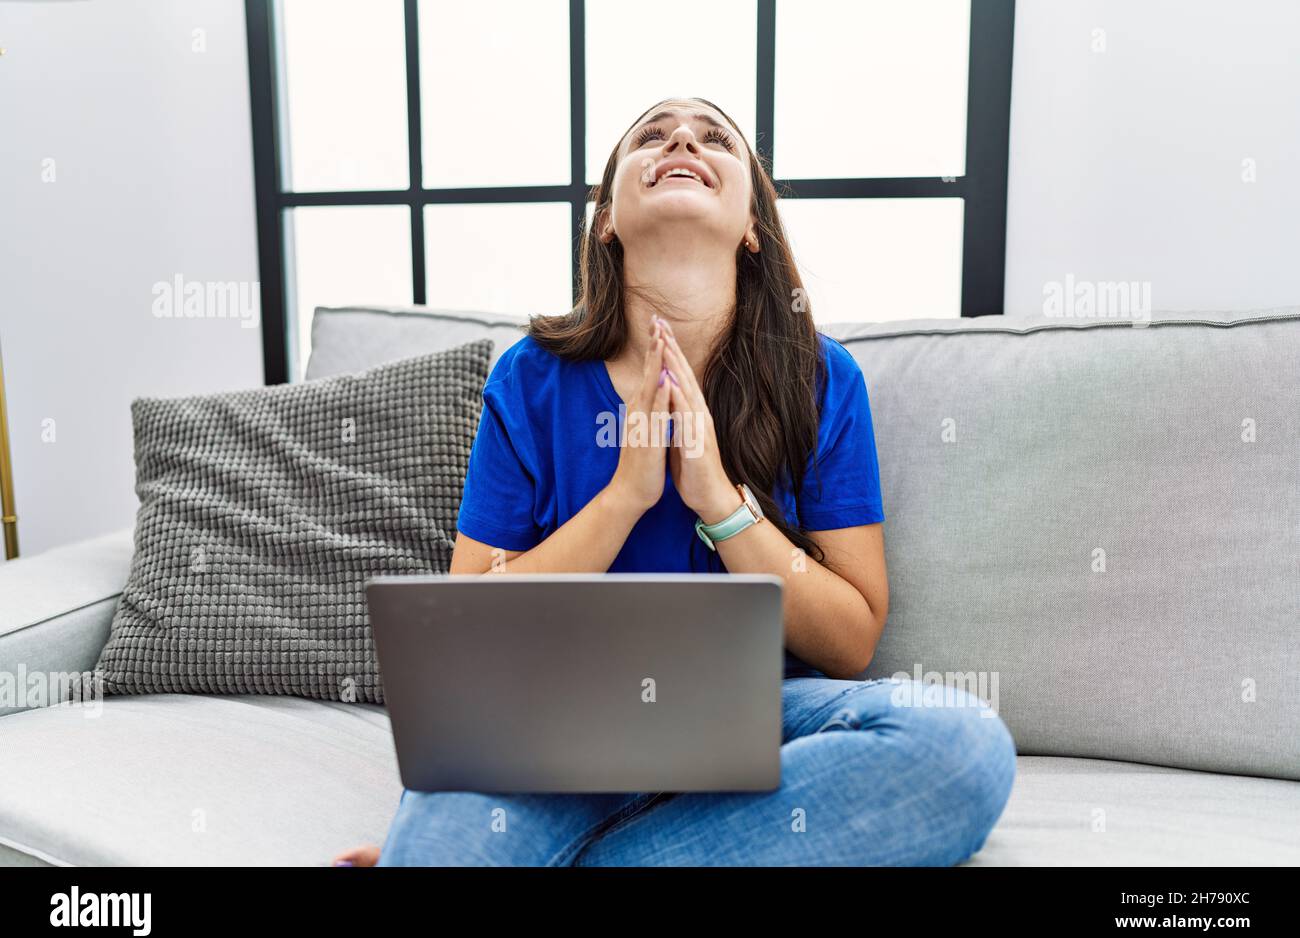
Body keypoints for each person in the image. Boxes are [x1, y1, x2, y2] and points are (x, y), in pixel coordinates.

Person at [334, 97, 1015, 867]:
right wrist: (624, 496)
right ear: (606, 221)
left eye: (713, 137)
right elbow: (467, 627)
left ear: (751, 224)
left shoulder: (821, 378)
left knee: (958, 743)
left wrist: (718, 503)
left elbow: (854, 638)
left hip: (760, 720)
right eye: (651, 137)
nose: (683, 139)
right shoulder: (530, 379)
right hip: (556, 728)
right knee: (455, 799)